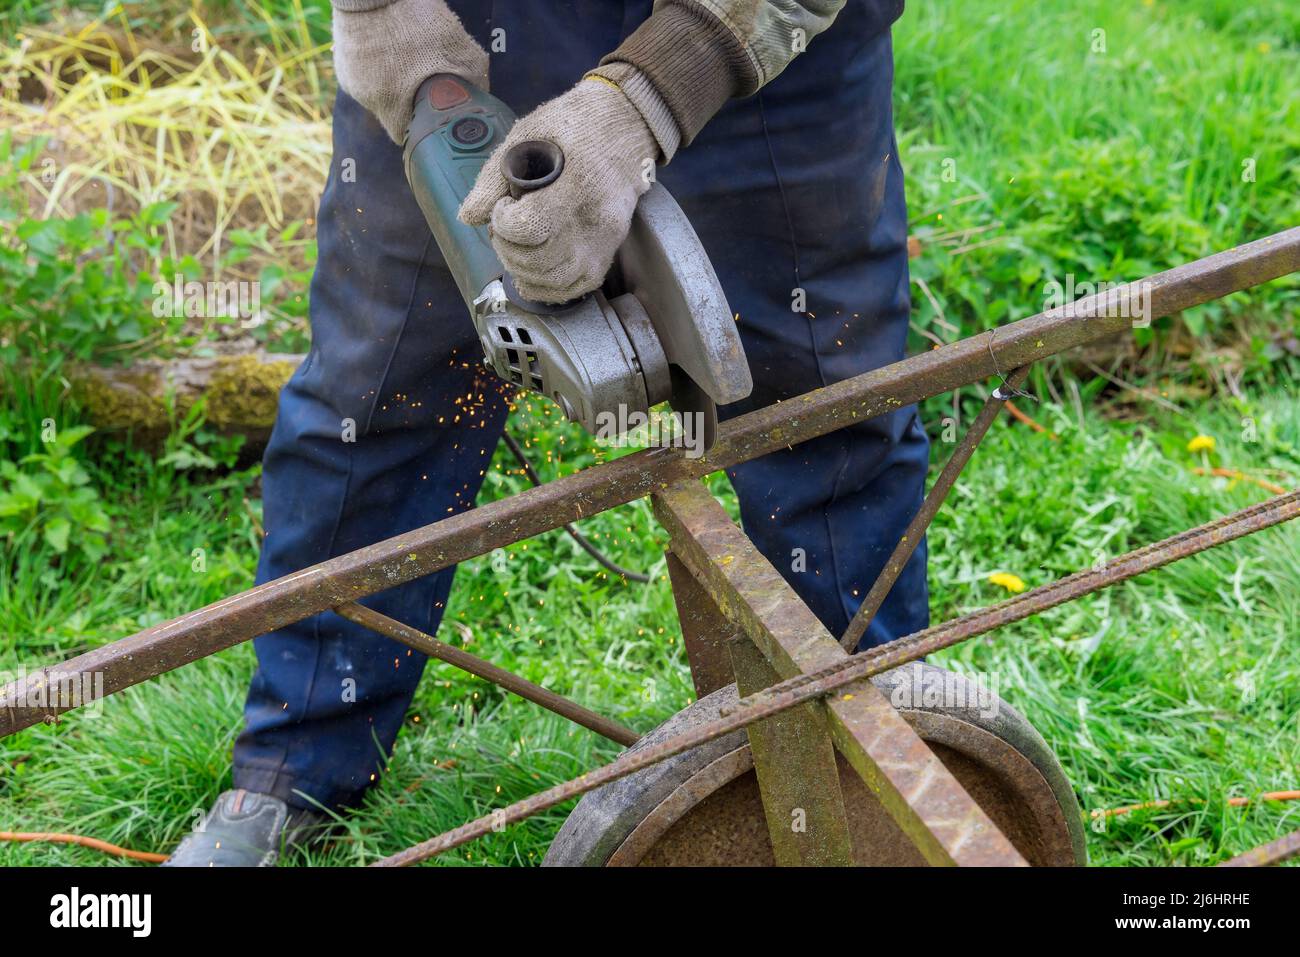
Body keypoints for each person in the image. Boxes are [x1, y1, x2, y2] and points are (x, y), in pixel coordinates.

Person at [165, 0, 927, 867]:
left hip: (764, 43)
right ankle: (292, 769)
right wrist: (381, 14)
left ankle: (864, 758)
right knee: (375, 387)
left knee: (820, 400)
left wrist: (647, 98)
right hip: (473, 25)